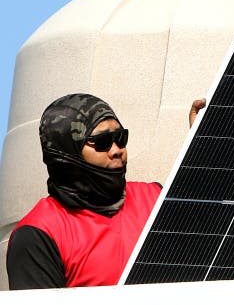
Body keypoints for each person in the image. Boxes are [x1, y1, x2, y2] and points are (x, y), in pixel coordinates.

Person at [6, 94, 206, 289]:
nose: (116, 149)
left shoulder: (154, 198)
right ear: (66, 153)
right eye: (102, 142)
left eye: (120, 137)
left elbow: (216, 232)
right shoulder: (38, 234)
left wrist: (207, 147)